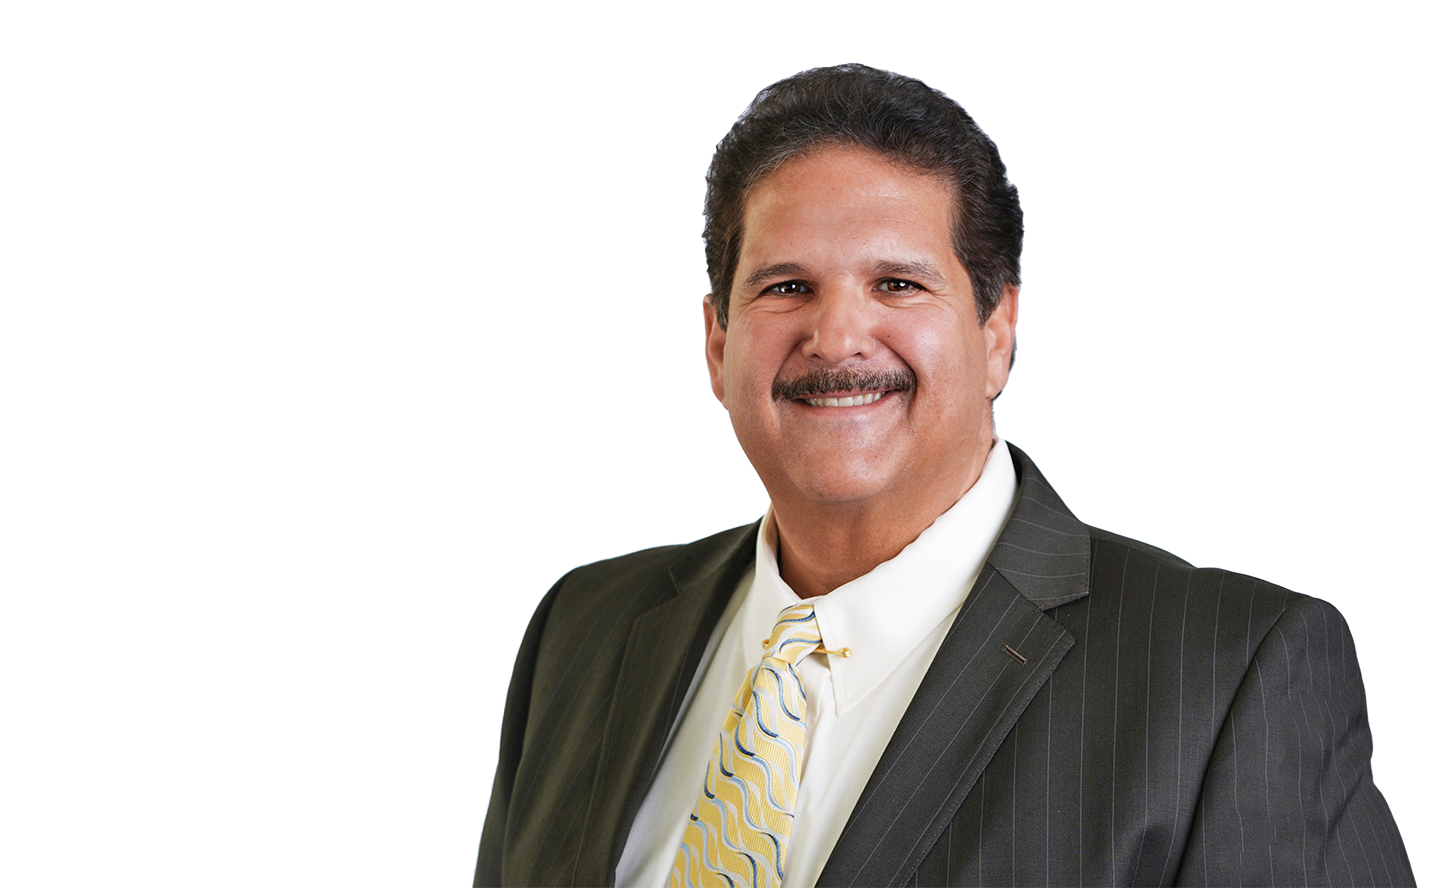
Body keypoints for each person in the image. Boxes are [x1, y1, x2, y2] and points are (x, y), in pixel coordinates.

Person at [475, 64, 1412, 888]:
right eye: (786, 286)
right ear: (718, 343)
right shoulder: (581, 633)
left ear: (997, 332)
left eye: (898, 284)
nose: (837, 337)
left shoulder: (1229, 678)